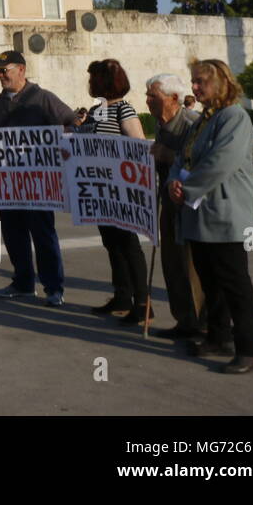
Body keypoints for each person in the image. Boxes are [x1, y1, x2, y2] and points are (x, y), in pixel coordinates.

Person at [170, 59, 253, 373]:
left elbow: (222, 161)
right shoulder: (204, 119)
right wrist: (174, 181)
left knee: (234, 283)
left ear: (221, 82)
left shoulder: (235, 117)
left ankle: (251, 350)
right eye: (193, 81)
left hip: (225, 214)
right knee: (210, 282)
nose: (194, 87)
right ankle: (218, 336)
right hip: (198, 215)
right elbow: (183, 155)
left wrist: (187, 187)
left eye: (201, 82)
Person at [0, 51, 77, 306]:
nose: (0, 75)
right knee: (13, 234)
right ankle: (23, 282)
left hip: (39, 184)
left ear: (22, 70)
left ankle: (54, 287)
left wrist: (60, 139)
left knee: (43, 234)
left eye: (5, 70)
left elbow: (71, 122)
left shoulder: (43, 98)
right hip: (8, 184)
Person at [78, 59, 150, 325]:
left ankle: (143, 303)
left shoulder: (124, 109)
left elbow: (138, 145)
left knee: (128, 245)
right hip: (99, 190)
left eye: (92, 79)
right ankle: (122, 295)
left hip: (119, 190)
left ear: (102, 82)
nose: (89, 83)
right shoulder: (98, 111)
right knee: (112, 244)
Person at [146, 73, 205, 339]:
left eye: (153, 96)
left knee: (192, 266)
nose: (147, 101)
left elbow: (202, 164)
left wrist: (168, 155)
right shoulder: (161, 124)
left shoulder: (193, 123)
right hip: (168, 202)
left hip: (191, 205)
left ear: (173, 98)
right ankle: (183, 320)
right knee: (171, 263)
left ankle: (202, 325)